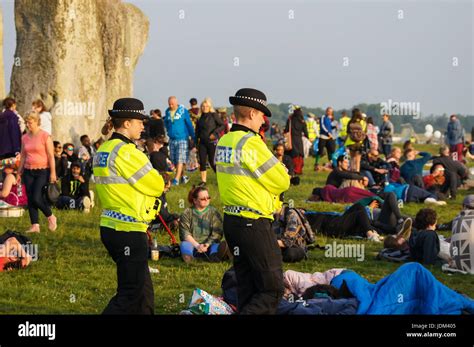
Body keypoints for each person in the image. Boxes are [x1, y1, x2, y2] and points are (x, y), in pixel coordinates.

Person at [216, 88, 290, 315]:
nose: (263, 120)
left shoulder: (225, 141)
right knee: (272, 289)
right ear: (251, 113)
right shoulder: (251, 143)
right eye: (261, 115)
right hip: (253, 223)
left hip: (232, 221)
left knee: (248, 288)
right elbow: (282, 181)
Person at [93, 98, 165, 314]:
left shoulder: (105, 149)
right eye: (139, 121)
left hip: (112, 226)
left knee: (143, 293)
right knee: (130, 293)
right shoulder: (127, 152)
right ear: (126, 123)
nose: (143, 125)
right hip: (128, 231)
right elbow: (156, 184)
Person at [17, 111, 57, 233]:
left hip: (43, 171)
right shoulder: (24, 137)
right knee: (30, 198)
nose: (28, 124)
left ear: (37, 121)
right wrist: (19, 173)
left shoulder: (45, 136)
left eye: (30, 122)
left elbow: (51, 156)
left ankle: (50, 216)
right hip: (28, 171)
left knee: (36, 197)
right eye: (26, 122)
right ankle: (35, 225)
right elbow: (23, 156)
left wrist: (53, 173)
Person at [179, 186, 228, 263]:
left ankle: (214, 256)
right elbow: (185, 233)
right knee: (184, 245)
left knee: (218, 245)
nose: (206, 200)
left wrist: (206, 245)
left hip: (210, 245)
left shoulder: (214, 212)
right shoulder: (187, 213)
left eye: (208, 198)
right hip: (193, 244)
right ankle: (188, 257)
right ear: (195, 200)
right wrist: (197, 245)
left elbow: (217, 233)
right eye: (203, 199)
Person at [305, 203, 383, 242]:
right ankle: (370, 234)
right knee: (360, 214)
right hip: (333, 226)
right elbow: (313, 230)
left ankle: (372, 230)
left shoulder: (307, 214)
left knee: (358, 206)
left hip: (336, 220)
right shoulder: (305, 219)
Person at [164, 96, 196, 186]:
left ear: (176, 103)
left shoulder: (183, 111)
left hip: (182, 138)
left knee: (180, 159)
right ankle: (183, 177)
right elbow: (166, 122)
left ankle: (176, 179)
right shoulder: (167, 112)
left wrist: (193, 136)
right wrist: (168, 131)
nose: (171, 105)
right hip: (172, 139)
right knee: (174, 160)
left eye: (172, 104)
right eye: (169, 104)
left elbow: (189, 123)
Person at [195, 97, 225, 185]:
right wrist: (196, 143)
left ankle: (221, 179)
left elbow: (222, 125)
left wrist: (215, 134)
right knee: (202, 161)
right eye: (203, 106)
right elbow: (197, 131)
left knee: (213, 162)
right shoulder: (199, 118)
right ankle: (203, 181)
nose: (204, 108)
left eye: (206, 106)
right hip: (202, 143)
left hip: (212, 142)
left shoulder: (213, 115)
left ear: (209, 107)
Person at [285, 107, 308, 175]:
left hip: (292, 139)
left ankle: (293, 169)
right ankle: (299, 169)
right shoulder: (302, 121)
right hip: (299, 139)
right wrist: (307, 137)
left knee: (293, 154)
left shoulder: (290, 120)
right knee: (300, 154)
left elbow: (286, 129)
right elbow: (305, 131)